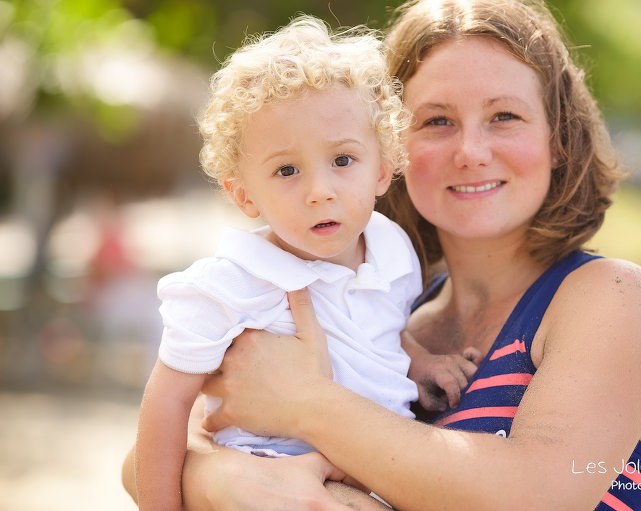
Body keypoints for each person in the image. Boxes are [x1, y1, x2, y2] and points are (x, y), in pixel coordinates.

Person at [123, 0, 641, 510]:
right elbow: (147, 461)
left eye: (504, 116)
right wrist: (227, 479)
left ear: (557, 139)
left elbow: (535, 496)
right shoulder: (382, 299)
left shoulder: (615, 300)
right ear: (393, 144)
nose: (471, 152)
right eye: (436, 121)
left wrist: (306, 406)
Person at [132, 15, 478, 510]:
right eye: (287, 170)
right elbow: (167, 405)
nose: (320, 192)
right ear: (243, 193)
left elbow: (375, 330)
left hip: (375, 474)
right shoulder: (230, 284)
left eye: (342, 160)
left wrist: (421, 362)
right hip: (265, 479)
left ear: (382, 166)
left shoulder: (391, 249)